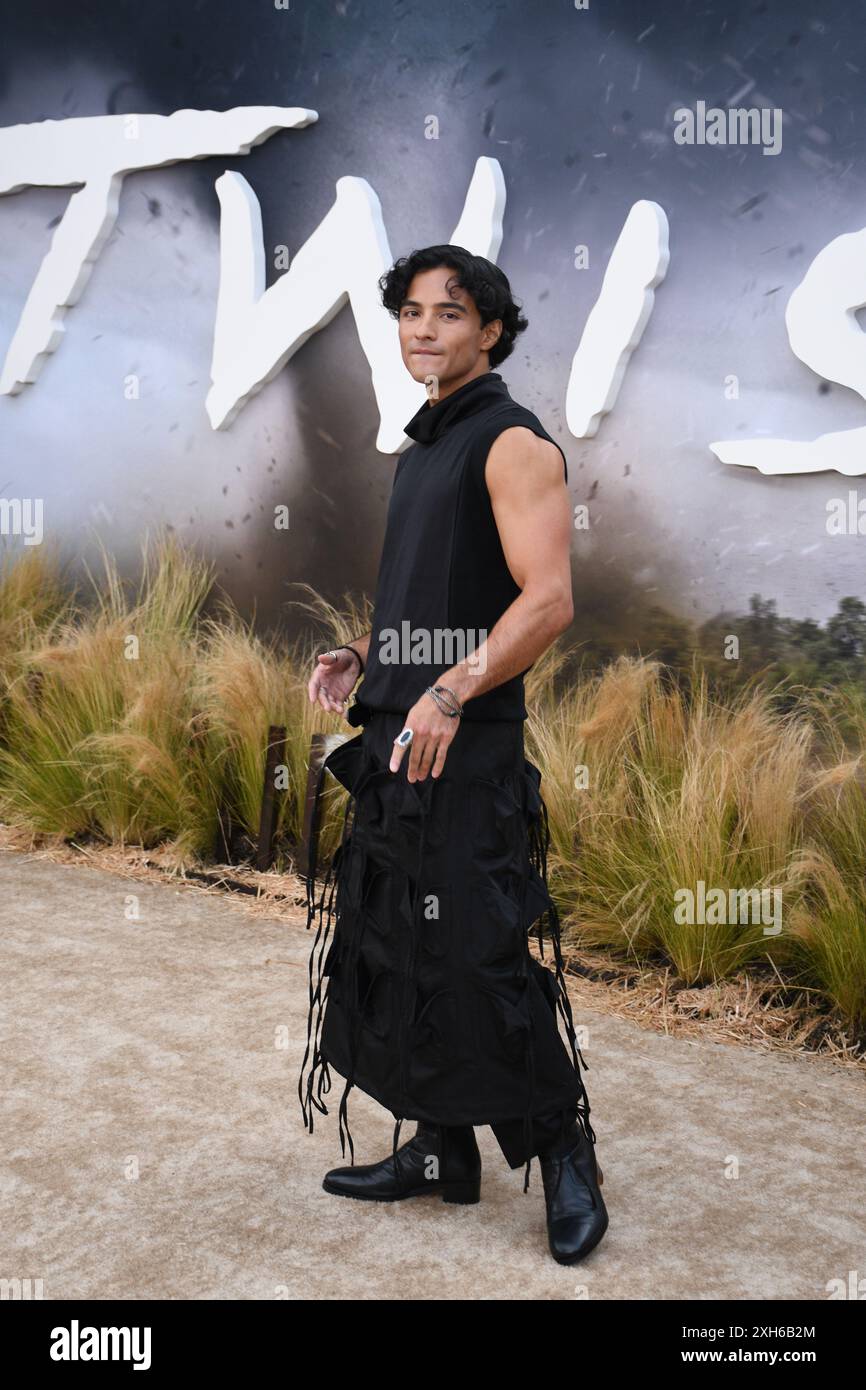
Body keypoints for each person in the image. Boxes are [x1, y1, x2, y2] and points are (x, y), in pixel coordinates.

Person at [298, 245, 608, 1265]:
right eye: (410, 313)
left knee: (477, 958)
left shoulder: (513, 444)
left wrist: (446, 689)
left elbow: (547, 599)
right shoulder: (419, 448)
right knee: (398, 948)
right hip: (394, 741)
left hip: (464, 752)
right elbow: (432, 599)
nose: (423, 329)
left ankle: (562, 1150)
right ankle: (440, 1149)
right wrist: (366, 653)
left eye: (448, 312)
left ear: (491, 330)